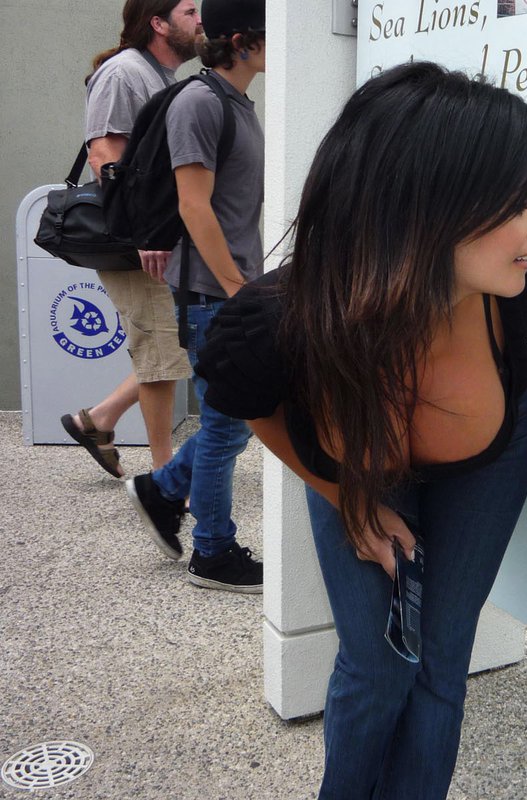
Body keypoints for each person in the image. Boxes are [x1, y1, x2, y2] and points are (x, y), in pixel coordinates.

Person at [194, 62, 527, 798]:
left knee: (440, 661)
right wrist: (346, 498)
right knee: (378, 665)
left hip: (488, 463)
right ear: (423, 213)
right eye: (516, 201)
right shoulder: (280, 323)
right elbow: (251, 400)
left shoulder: (507, 282)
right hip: (356, 475)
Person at [125, 0, 266, 593]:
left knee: (234, 422)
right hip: (211, 293)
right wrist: (235, 287)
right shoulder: (201, 103)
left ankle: (161, 491)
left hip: (229, 288)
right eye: (268, 34)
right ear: (241, 41)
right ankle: (212, 552)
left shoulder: (236, 102)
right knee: (228, 425)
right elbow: (192, 204)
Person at [61, 0, 203, 477]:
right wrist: (146, 233)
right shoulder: (125, 73)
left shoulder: (160, 76)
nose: (200, 20)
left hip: (160, 238)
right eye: (189, 11)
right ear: (158, 23)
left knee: (168, 349)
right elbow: (104, 154)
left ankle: (97, 420)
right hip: (140, 243)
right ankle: (163, 479)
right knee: (162, 353)